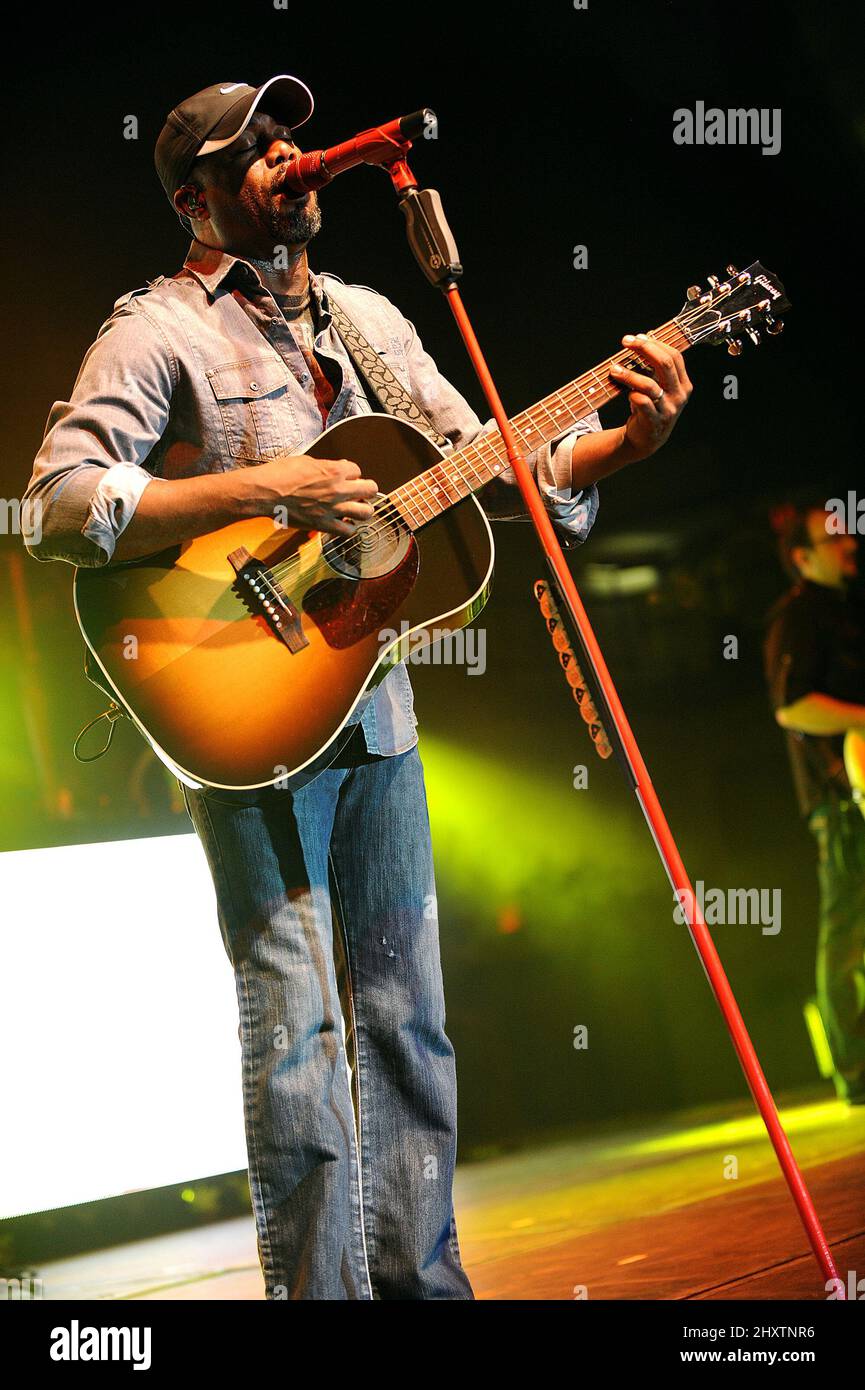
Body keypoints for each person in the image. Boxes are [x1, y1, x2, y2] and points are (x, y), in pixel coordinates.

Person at [22, 76, 692, 1298]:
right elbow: (58, 503)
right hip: (238, 703)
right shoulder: (155, 328)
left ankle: (423, 1290)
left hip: (372, 707)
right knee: (298, 1041)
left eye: (289, 139)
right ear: (197, 197)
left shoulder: (371, 318)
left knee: (406, 1024)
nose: (288, 159)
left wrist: (615, 442)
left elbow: (492, 454)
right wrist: (263, 490)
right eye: (252, 152)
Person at [764, 501, 865, 1106]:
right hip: (838, 797)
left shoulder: (851, 609)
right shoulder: (798, 617)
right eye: (835, 539)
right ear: (803, 557)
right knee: (848, 930)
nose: (850, 543)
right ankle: (856, 1071)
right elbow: (792, 706)